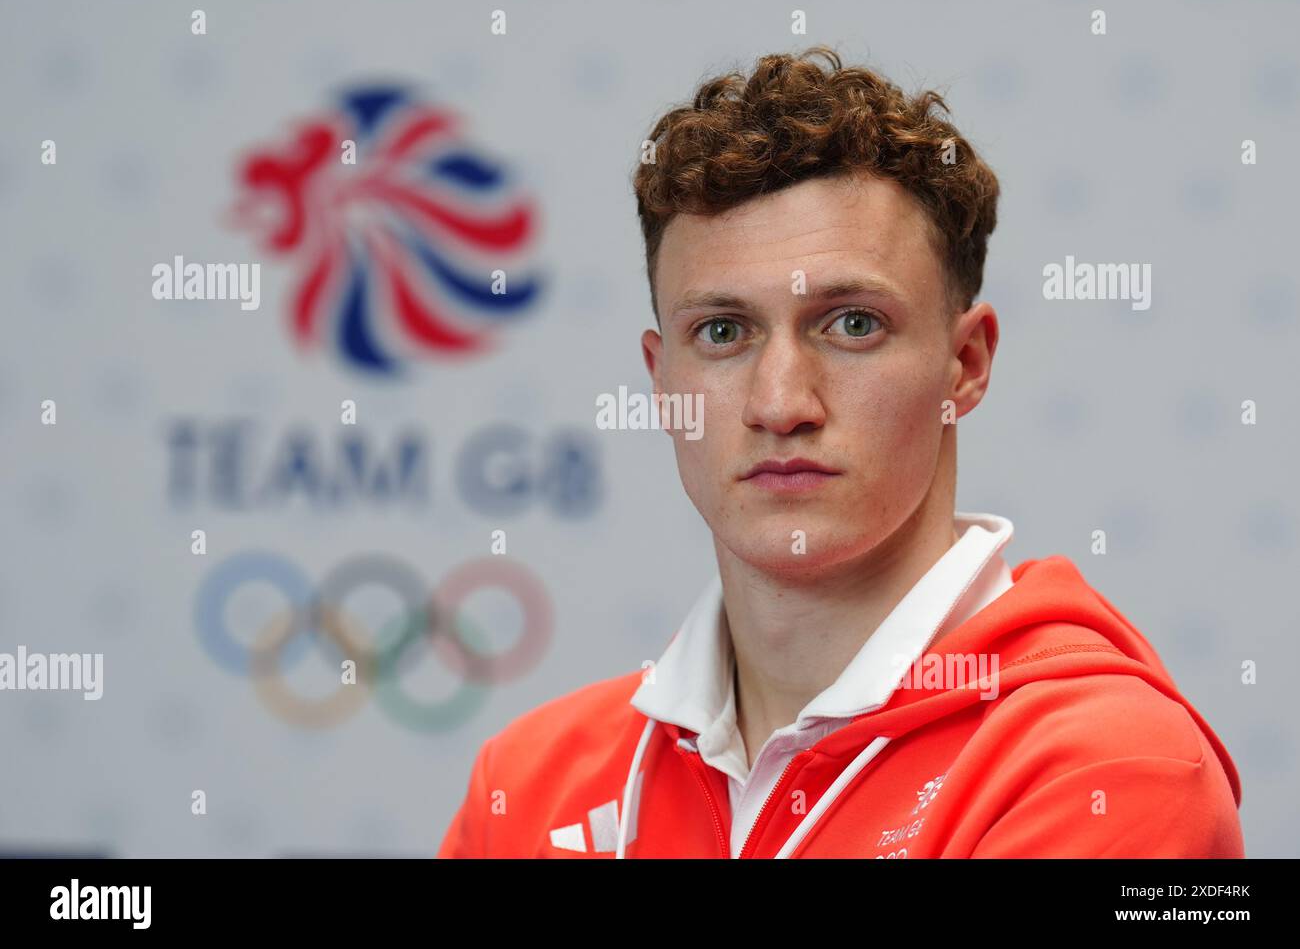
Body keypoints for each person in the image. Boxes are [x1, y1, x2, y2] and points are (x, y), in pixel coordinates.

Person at [437, 46, 1244, 858]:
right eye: (722, 333)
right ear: (660, 379)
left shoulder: (1112, 769)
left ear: (964, 365)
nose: (781, 403)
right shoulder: (528, 785)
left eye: (852, 323)